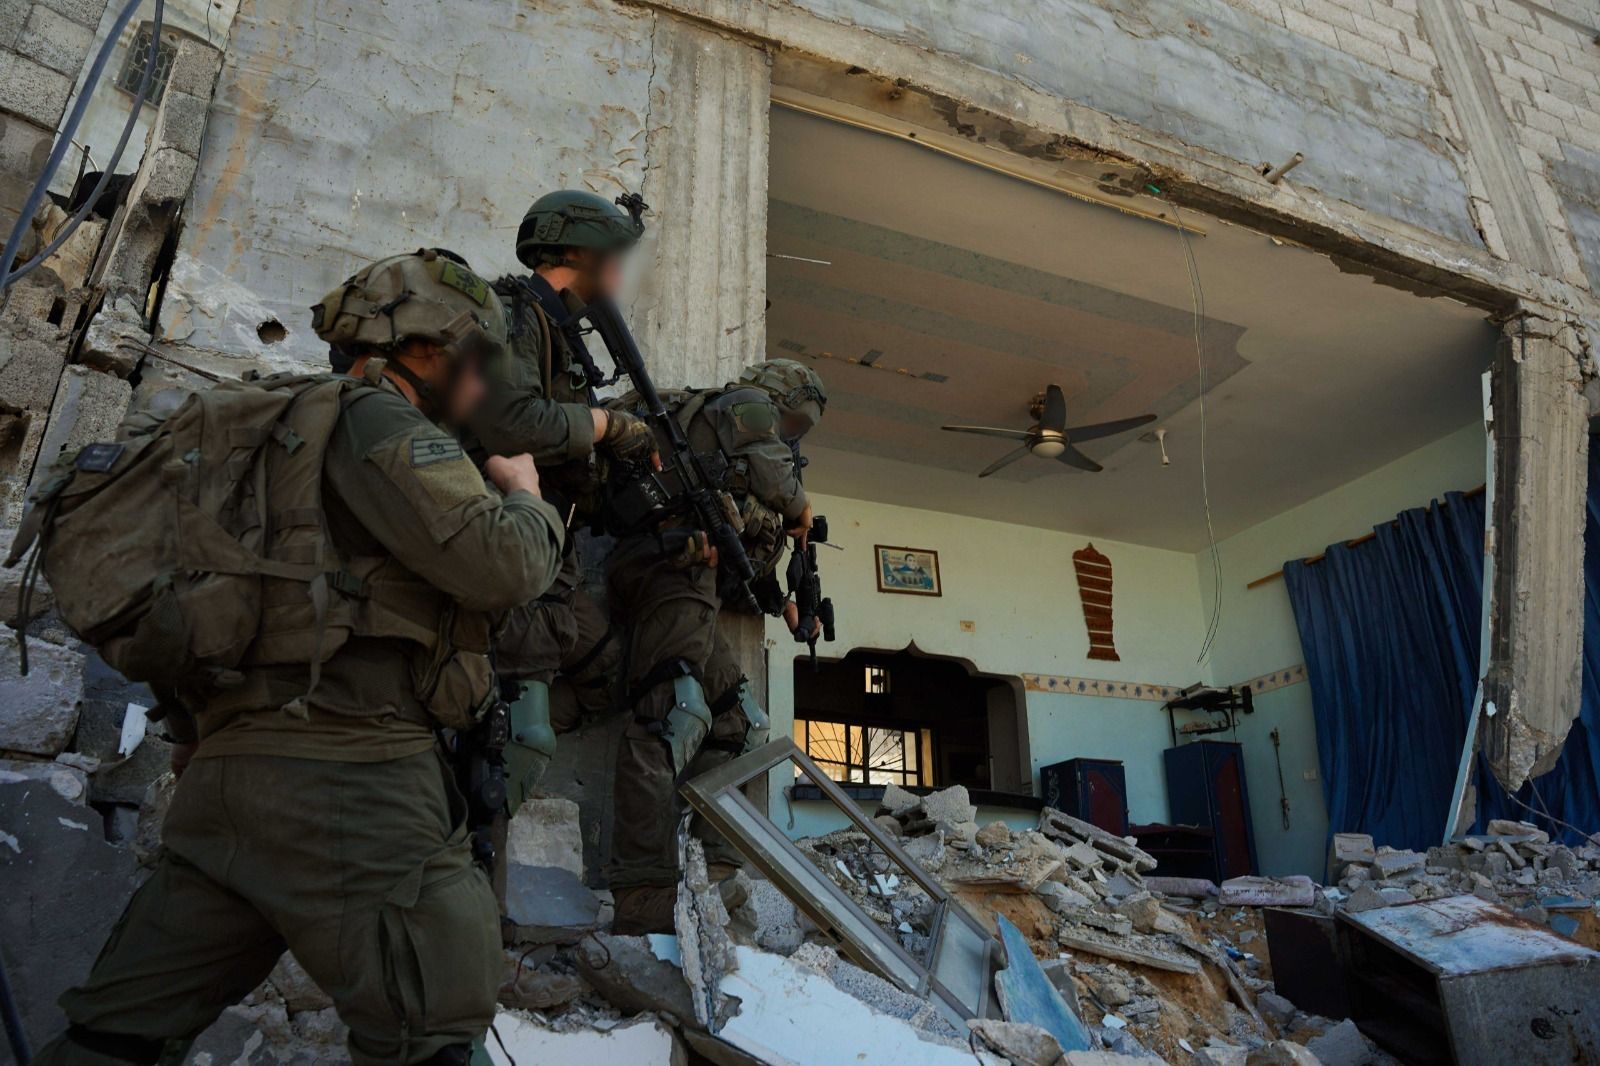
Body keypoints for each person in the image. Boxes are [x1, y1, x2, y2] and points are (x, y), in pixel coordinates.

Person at [32, 249, 567, 1066]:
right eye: (479, 361)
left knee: (118, 1033)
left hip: (225, 786)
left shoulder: (264, 434)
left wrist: (195, 730)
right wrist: (526, 493)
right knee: (434, 1036)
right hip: (355, 782)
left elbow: (214, 600)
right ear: (428, 350)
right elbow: (504, 566)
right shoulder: (378, 420)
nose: (483, 386)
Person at [604, 358, 827, 935]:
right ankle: (641, 893)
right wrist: (801, 510)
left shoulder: (717, 436)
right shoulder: (744, 408)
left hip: (695, 581)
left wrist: (785, 598)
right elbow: (777, 477)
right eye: (795, 415)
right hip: (668, 570)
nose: (792, 431)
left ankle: (708, 869)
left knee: (743, 730)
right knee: (668, 718)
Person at [472, 189, 656, 811]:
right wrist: (608, 426)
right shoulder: (515, 314)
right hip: (512, 541)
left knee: (545, 719)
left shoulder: (552, 326)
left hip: (553, 552)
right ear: (585, 250)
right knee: (517, 741)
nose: (617, 273)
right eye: (615, 256)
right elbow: (514, 421)